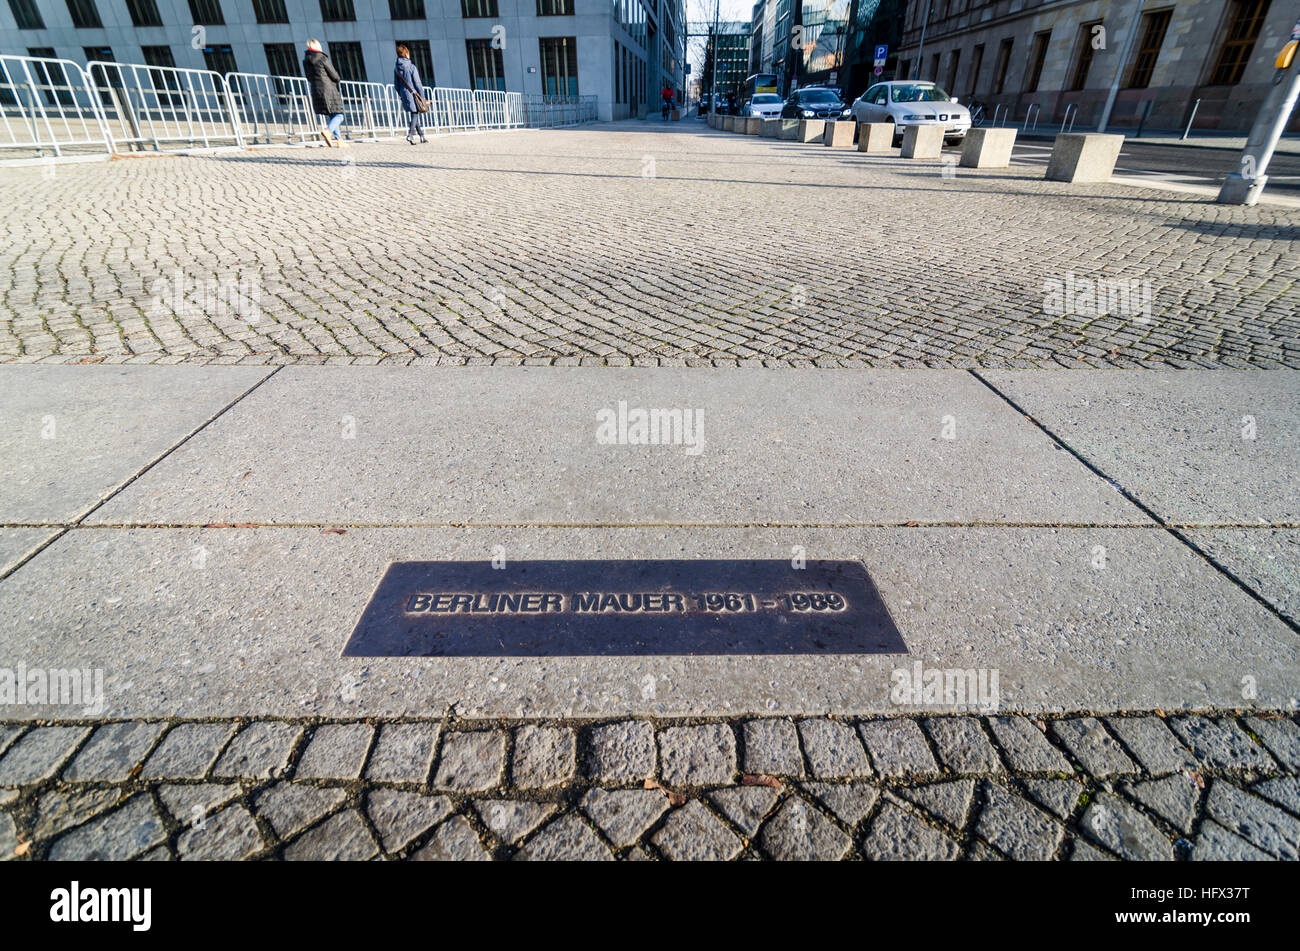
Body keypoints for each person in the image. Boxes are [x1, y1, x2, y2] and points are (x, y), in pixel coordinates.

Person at [303, 39, 345, 148]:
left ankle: (339, 140)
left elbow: (308, 77)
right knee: (339, 115)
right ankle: (328, 131)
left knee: (332, 115)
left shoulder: (305, 60)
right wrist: (337, 79)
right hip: (328, 89)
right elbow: (334, 75)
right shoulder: (322, 58)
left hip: (316, 90)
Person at [394, 44, 427, 145]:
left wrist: (401, 93)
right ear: (406, 53)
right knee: (415, 113)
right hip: (413, 93)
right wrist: (423, 97)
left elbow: (396, 84)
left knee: (414, 113)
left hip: (404, 93)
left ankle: (421, 136)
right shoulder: (411, 67)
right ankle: (410, 135)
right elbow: (417, 83)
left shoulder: (396, 68)